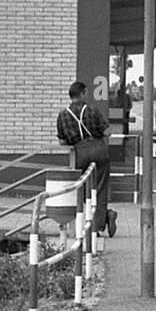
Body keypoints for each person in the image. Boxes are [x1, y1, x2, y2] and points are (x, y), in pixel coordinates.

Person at [57, 81, 116, 236]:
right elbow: (107, 132)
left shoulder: (63, 115)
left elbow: (62, 142)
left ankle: (87, 223)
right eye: (86, 93)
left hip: (79, 154)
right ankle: (98, 226)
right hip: (99, 151)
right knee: (100, 188)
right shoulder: (92, 111)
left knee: (82, 189)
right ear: (82, 94)